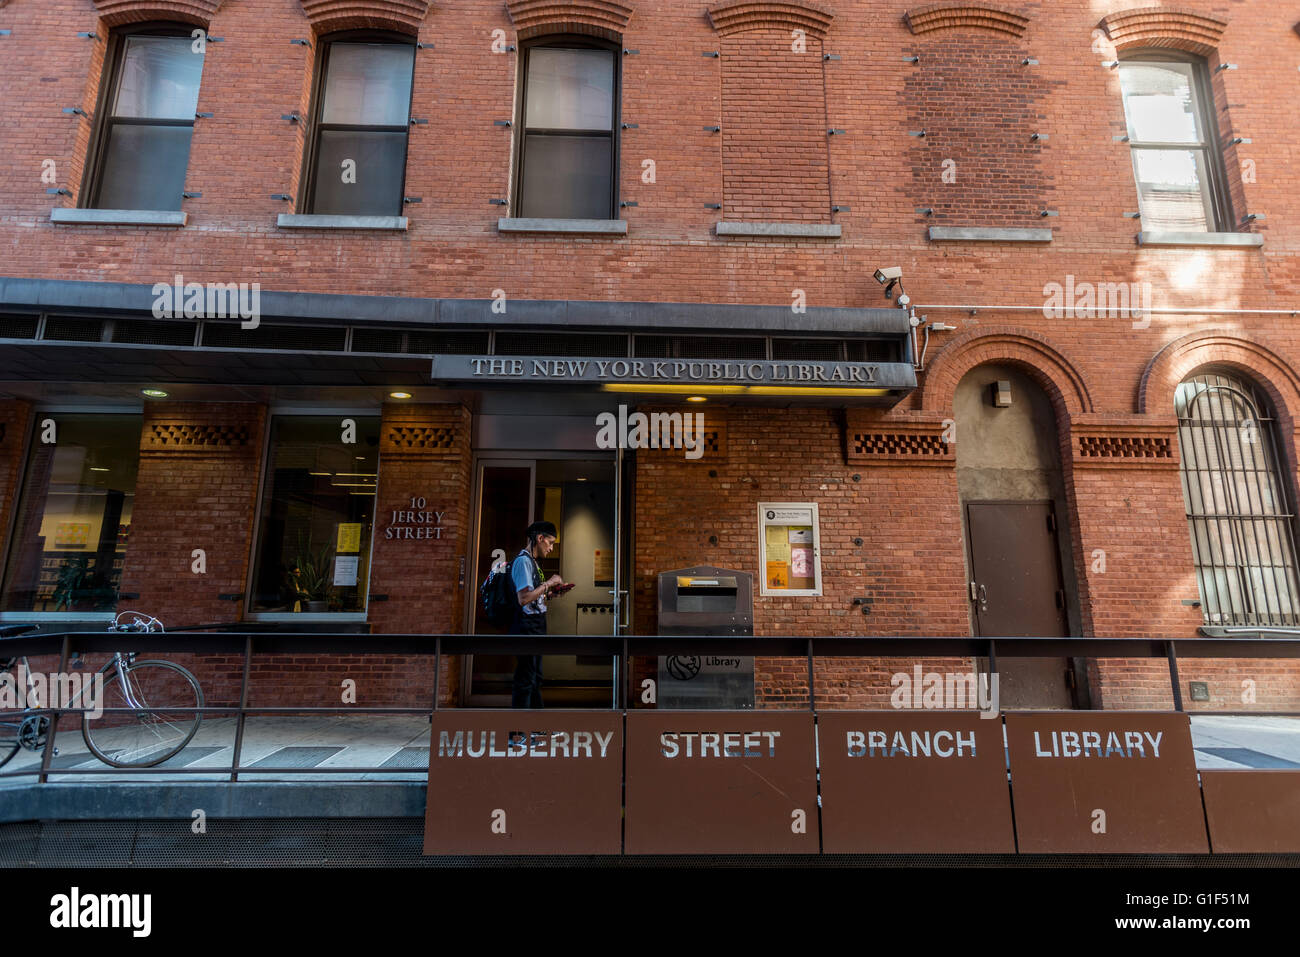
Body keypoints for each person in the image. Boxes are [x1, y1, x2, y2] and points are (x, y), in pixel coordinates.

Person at [510, 520, 564, 711]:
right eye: (550, 543)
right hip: (526, 628)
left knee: (535, 677)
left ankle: (535, 729)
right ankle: (517, 734)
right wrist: (548, 583)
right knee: (526, 679)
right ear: (539, 538)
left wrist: (551, 593)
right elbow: (523, 598)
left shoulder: (533, 563)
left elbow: (533, 595)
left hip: (536, 627)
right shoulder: (523, 561)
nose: (551, 548)